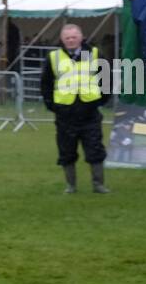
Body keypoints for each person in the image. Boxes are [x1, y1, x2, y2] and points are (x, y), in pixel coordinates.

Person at [40, 23, 110, 194]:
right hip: (65, 113)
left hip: (90, 111)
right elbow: (45, 83)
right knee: (66, 150)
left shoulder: (94, 53)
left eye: (74, 37)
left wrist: (101, 100)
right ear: (62, 40)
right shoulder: (53, 57)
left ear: (81, 37)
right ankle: (71, 186)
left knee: (95, 148)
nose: (71, 40)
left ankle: (98, 184)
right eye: (67, 38)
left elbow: (106, 77)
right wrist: (52, 105)